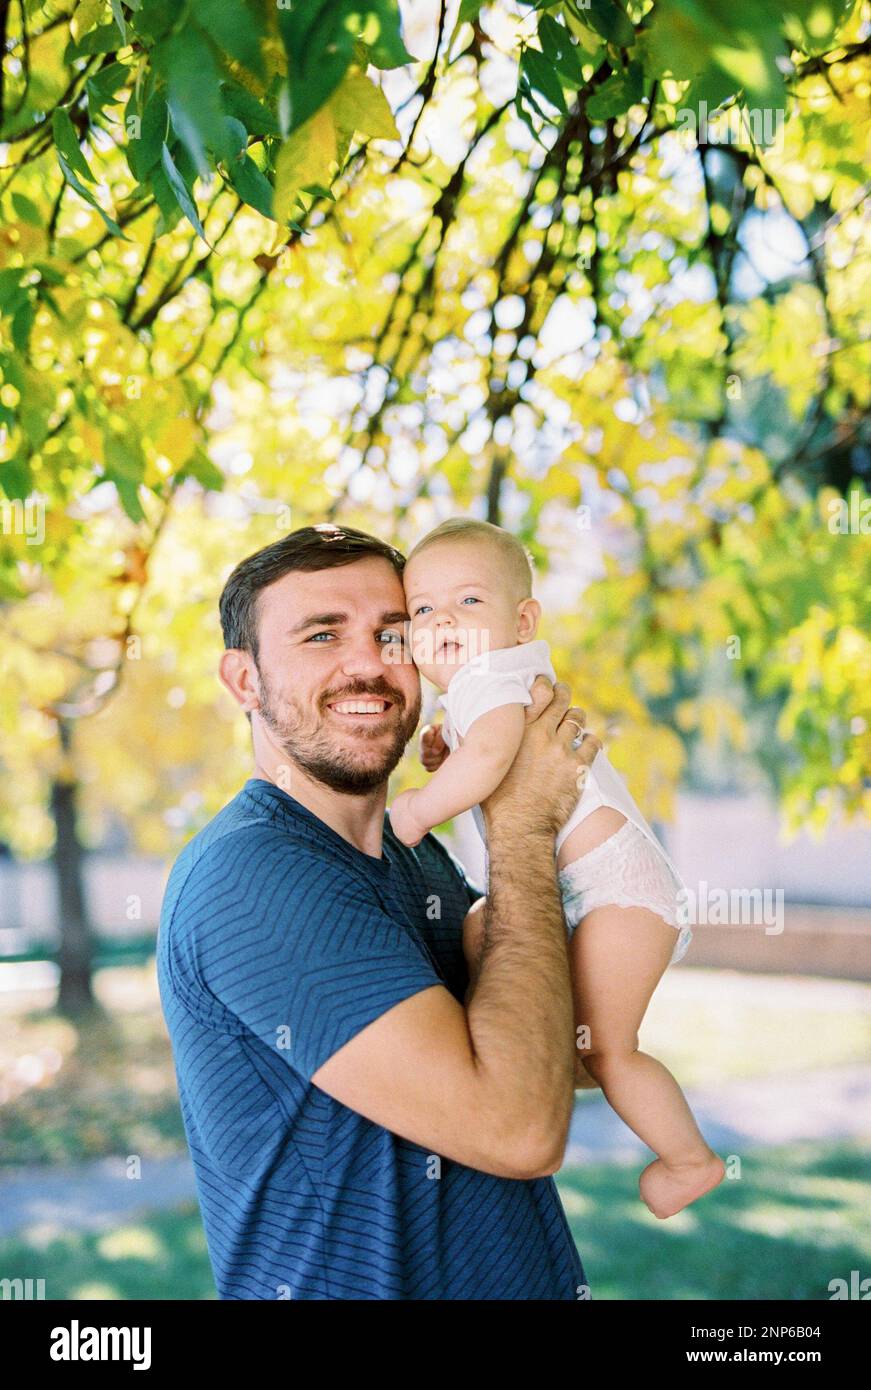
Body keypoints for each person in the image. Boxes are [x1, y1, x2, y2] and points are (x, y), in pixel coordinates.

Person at [157, 522, 600, 1300]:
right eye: (321, 635)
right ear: (244, 680)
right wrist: (523, 827)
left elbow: (564, 1055)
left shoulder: (414, 855)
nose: (369, 665)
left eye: (395, 635)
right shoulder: (253, 873)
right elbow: (520, 1126)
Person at [389, 517, 725, 1219]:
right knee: (487, 927)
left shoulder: (492, 678)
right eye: (422, 608)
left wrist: (420, 807)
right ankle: (550, 1056)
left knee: (611, 1049)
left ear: (522, 620)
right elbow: (484, 757)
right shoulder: (483, 689)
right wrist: (445, 748)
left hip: (616, 888)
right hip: (588, 889)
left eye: (468, 601)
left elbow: (488, 762)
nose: (441, 617)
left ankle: (688, 1161)